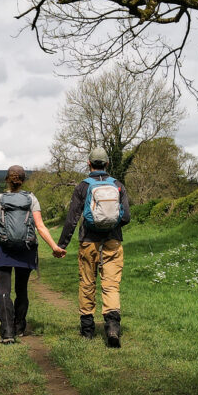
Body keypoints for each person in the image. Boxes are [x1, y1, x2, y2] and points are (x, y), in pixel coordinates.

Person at [57, 147, 131, 347]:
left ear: (89, 164)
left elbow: (72, 218)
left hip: (88, 240)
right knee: (111, 284)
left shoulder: (82, 186)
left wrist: (62, 245)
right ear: (107, 164)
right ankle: (113, 327)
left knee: (87, 282)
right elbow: (126, 217)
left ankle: (88, 330)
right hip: (113, 240)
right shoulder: (117, 185)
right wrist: (111, 225)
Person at [0, 165, 66, 344]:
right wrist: (54, 246)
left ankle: (7, 332)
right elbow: (40, 226)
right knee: (21, 290)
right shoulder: (31, 198)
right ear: (23, 180)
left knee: (4, 291)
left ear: (7, 179)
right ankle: (19, 327)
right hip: (27, 249)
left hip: (3, 249)